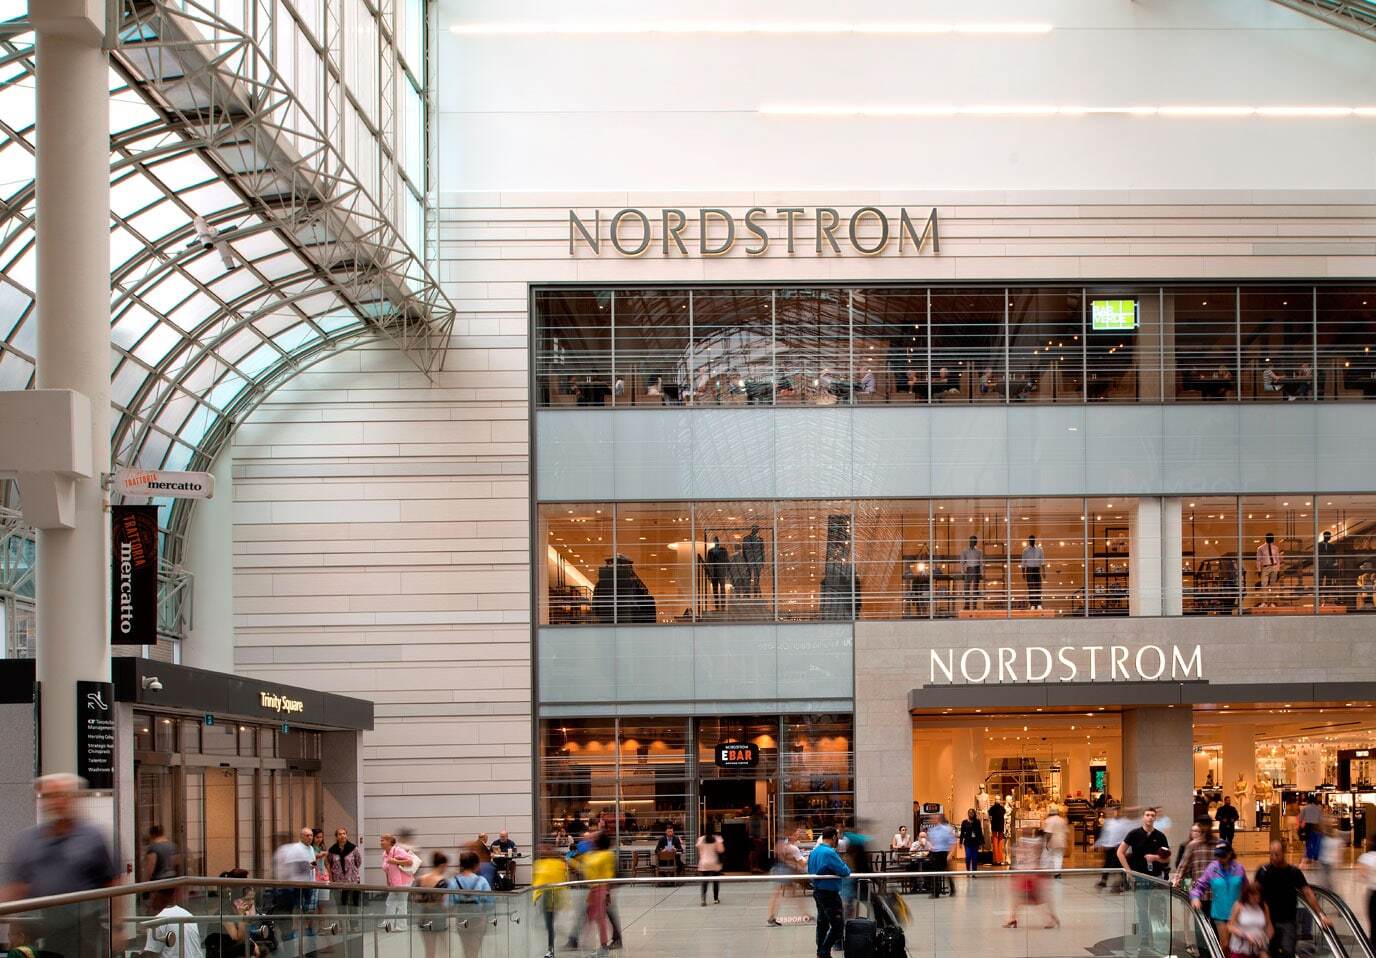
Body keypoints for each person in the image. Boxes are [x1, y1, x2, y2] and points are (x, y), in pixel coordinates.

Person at [1, 774, 121, 957]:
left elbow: (113, 883)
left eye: (62, 795)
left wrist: (118, 927)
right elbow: (17, 888)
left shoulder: (92, 838)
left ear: (74, 798)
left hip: (83, 933)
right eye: (49, 796)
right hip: (42, 934)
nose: (56, 802)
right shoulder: (29, 840)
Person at [1255, 839, 1329, 958]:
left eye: (1277, 854)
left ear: (1283, 853)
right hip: (1267, 921)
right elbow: (1254, 894)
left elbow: (1308, 893)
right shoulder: (1263, 872)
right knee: (1267, 952)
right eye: (1271, 854)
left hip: (1288, 922)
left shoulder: (1293, 872)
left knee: (1287, 952)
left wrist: (1321, 914)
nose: (1273, 857)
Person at [1118, 807, 1171, 956]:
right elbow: (1120, 852)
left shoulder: (1160, 836)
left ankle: (1158, 938)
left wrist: (1154, 858)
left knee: (1156, 908)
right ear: (1143, 817)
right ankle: (1144, 938)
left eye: (1152, 815)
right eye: (1147, 815)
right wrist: (1128, 871)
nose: (1149, 818)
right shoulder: (1134, 834)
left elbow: (1167, 857)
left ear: (1155, 818)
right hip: (1139, 876)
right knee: (1142, 909)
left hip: (1156, 877)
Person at [1192, 843, 1246, 951]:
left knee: (1235, 947)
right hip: (1220, 914)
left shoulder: (1239, 869)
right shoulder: (1212, 868)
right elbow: (1199, 886)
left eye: (1222, 856)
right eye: (1218, 855)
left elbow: (1247, 889)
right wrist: (1195, 897)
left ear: (1230, 854)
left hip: (1237, 914)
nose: (1219, 859)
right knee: (1225, 945)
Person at [807, 826, 851, 958]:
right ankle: (823, 952)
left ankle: (820, 951)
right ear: (833, 837)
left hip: (818, 891)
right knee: (838, 927)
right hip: (829, 893)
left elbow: (810, 871)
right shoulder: (830, 853)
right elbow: (845, 871)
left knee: (822, 923)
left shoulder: (814, 851)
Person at [1004, 835, 1059, 929]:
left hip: (1032, 880)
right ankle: (1012, 918)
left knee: (1035, 900)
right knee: (1020, 900)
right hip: (1029, 879)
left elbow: (1039, 865)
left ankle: (1051, 918)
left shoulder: (1037, 851)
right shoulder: (1032, 850)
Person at [272, 827, 316, 939]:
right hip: (291, 886)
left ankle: (294, 935)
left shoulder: (291, 850)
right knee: (295, 912)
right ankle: (296, 934)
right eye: (307, 835)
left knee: (296, 911)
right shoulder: (290, 850)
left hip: (294, 886)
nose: (310, 838)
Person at [450, 850, 493, 958]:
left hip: (461, 918)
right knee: (475, 950)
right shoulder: (482, 881)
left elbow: (449, 903)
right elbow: (489, 903)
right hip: (478, 919)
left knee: (466, 948)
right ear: (475, 865)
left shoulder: (453, 881)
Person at [533, 843, 568, 958]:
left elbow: (561, 880)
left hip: (552, 897)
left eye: (543, 849)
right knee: (549, 924)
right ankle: (551, 947)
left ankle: (550, 948)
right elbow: (537, 881)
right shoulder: (539, 864)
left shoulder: (558, 864)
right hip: (545, 896)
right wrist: (535, 895)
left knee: (549, 924)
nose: (541, 851)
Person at [768, 828, 808, 927]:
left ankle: (806, 914)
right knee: (778, 894)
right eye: (796, 834)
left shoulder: (784, 845)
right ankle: (771, 917)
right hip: (786, 871)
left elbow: (779, 854)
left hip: (781, 869)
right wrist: (809, 857)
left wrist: (788, 860)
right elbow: (802, 864)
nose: (798, 836)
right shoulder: (793, 849)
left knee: (784, 893)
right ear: (791, 836)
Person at [415, 852, 451, 956]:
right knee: (444, 947)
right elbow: (443, 901)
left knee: (429, 950)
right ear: (442, 865)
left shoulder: (421, 879)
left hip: (424, 915)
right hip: (438, 916)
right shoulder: (442, 882)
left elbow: (415, 898)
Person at [1228, 881, 1273, 958]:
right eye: (1253, 896)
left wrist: (1265, 940)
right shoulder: (1239, 905)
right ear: (1247, 895)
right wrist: (1246, 936)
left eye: (1258, 897)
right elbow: (1230, 927)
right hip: (1240, 949)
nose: (1256, 899)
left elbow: (1269, 927)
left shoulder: (1264, 906)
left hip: (1257, 950)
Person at [380, 832, 415, 932]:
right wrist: (388, 881)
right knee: (390, 902)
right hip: (394, 883)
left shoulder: (397, 850)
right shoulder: (385, 854)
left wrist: (395, 861)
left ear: (389, 842)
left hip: (403, 882)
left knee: (401, 904)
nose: (381, 842)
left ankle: (401, 926)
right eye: (381, 840)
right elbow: (387, 869)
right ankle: (388, 923)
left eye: (383, 840)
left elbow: (410, 861)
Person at [326, 826, 363, 916]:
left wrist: (351, 871)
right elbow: (329, 862)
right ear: (336, 837)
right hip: (338, 882)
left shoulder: (353, 848)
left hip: (352, 880)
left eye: (344, 833)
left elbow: (358, 862)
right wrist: (331, 877)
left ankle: (354, 927)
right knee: (341, 905)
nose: (342, 836)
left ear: (346, 835)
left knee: (353, 904)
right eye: (340, 834)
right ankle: (342, 926)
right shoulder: (332, 850)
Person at [927, 813, 957, 897]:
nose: (932, 820)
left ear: (939, 819)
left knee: (948, 873)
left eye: (934, 818)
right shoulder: (931, 830)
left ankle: (952, 889)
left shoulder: (947, 829)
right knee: (935, 873)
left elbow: (953, 843)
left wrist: (950, 854)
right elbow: (931, 842)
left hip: (944, 853)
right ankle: (936, 892)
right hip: (935, 853)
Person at [696, 822, 725, 905]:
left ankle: (703, 900)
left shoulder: (701, 839)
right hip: (714, 862)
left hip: (704, 862)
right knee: (715, 881)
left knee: (704, 882)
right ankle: (715, 899)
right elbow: (721, 850)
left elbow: (700, 852)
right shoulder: (717, 838)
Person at [1256, 532, 1283, 608]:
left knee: (1273, 585)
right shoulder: (1260, 548)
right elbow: (1258, 560)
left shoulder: (1276, 548)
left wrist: (1278, 570)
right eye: (1269, 537)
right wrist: (1259, 570)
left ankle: (1271, 603)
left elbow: (1278, 560)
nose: (1271, 538)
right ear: (1266, 538)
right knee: (1263, 585)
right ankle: (1264, 602)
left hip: (1274, 567)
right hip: (1265, 567)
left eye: (1272, 537)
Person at [1043, 804, 1068, 878]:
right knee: (1058, 857)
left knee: (1049, 856)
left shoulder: (1048, 820)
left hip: (1053, 841)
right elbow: (1066, 831)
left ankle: (1048, 872)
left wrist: (1047, 842)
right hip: (1062, 841)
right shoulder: (1062, 820)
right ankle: (1057, 873)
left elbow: (1048, 833)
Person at [959, 535, 984, 610]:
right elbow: (962, 562)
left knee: (975, 589)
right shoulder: (965, 551)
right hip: (969, 570)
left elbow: (981, 563)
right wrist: (962, 572)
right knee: (966, 588)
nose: (973, 542)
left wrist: (981, 573)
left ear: (976, 542)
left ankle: (974, 606)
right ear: (969, 541)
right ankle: (966, 605)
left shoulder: (979, 551)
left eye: (974, 541)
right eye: (971, 540)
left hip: (976, 569)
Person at [1021, 535, 1046, 610]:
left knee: (1038, 586)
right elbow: (1023, 563)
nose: (1032, 541)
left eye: (1033, 540)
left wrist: (1044, 572)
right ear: (1029, 540)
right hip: (1029, 569)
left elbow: (1042, 561)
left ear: (1035, 540)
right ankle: (1032, 604)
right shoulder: (1025, 550)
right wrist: (1023, 573)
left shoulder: (1040, 549)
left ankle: (1038, 604)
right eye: (1030, 540)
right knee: (1030, 587)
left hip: (1037, 569)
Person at [1299, 795, 1324, 864]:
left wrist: (1301, 826)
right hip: (1317, 826)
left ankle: (1309, 856)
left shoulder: (1305, 808)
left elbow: (1300, 818)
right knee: (1317, 842)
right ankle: (1316, 856)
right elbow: (1321, 818)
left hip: (1308, 826)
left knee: (1309, 842)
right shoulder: (1319, 808)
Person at [959, 808, 984, 872]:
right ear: (968, 814)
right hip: (967, 842)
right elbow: (962, 833)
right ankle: (968, 870)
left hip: (975, 842)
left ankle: (974, 871)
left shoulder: (977, 821)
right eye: (969, 812)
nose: (971, 814)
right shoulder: (964, 822)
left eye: (972, 812)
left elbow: (980, 832)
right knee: (968, 857)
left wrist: (981, 842)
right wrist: (960, 842)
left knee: (975, 858)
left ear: (974, 813)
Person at [989, 798, 1007, 865]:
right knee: (997, 843)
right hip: (999, 827)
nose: (998, 800)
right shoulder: (1002, 808)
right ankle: (998, 859)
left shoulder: (992, 809)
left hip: (995, 827)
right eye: (997, 799)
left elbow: (989, 815)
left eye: (998, 799)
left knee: (996, 843)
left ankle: (997, 859)